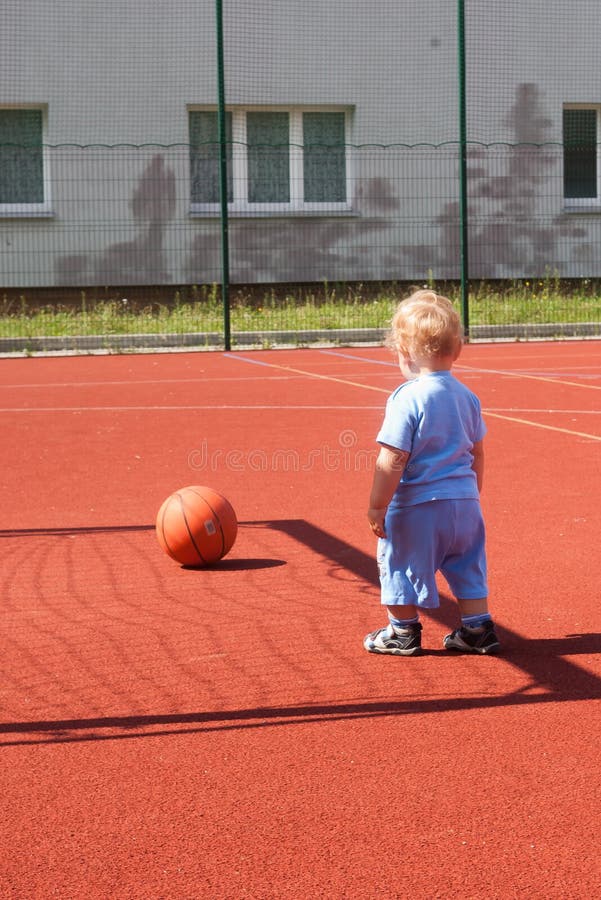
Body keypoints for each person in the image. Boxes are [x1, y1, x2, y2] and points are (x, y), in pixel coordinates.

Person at [364, 289, 500, 656]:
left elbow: (392, 457)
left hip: (418, 505)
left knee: (397, 560)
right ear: (456, 350)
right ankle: (478, 629)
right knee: (468, 563)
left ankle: (402, 630)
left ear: (404, 353)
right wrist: (472, 492)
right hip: (464, 503)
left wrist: (378, 505)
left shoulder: (407, 397)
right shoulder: (468, 397)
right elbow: (477, 451)